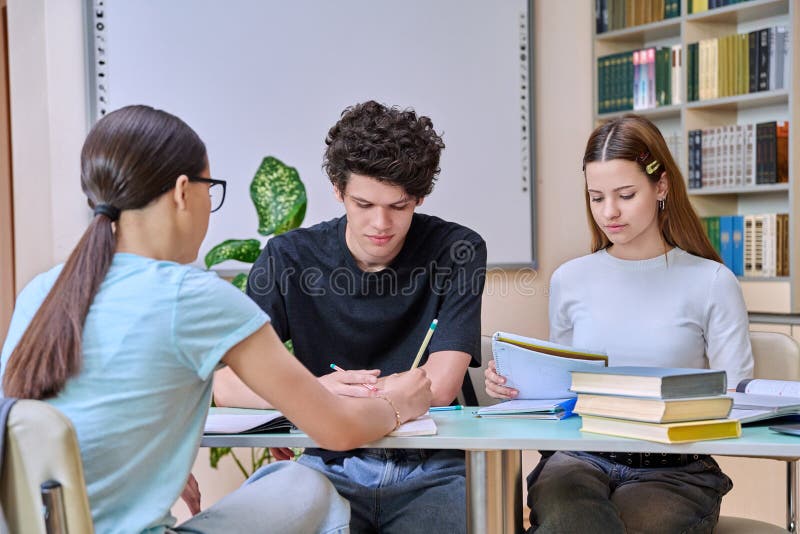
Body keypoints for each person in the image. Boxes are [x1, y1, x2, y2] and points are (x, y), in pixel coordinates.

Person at [0, 105, 434, 534]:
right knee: (303, 483)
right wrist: (397, 405)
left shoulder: (45, 290)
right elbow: (336, 429)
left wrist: (149, 473)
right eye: (212, 189)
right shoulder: (193, 297)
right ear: (183, 191)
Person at [213, 100, 487, 533]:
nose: (381, 223)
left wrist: (314, 400)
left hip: (431, 467)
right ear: (338, 191)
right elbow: (226, 386)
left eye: (398, 206)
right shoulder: (288, 258)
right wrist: (316, 392)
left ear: (418, 196)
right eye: (363, 204)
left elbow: (441, 385)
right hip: (326, 462)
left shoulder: (457, 251)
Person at [484, 114, 754, 534]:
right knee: (573, 520)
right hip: (580, 459)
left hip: (676, 469)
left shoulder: (712, 282)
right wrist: (516, 389)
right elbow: (564, 390)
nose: (609, 212)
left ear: (660, 186)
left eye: (626, 195)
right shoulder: (570, 279)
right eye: (596, 197)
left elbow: (735, 399)